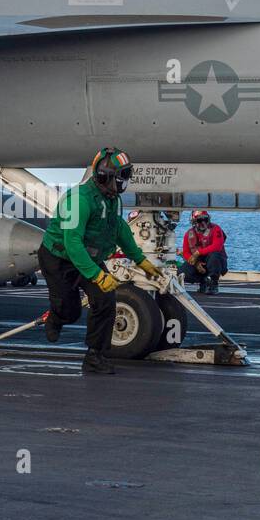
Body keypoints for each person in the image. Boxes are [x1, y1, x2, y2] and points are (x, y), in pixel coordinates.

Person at [37, 147, 162, 374]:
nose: (124, 182)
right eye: (120, 176)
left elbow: (119, 228)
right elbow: (72, 243)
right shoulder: (78, 200)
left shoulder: (111, 198)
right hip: (59, 258)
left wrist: (140, 260)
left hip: (88, 257)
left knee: (105, 301)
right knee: (70, 311)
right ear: (105, 176)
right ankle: (56, 318)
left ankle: (95, 356)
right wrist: (97, 275)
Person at [179, 209, 227, 295]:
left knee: (214, 255)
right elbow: (186, 252)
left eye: (205, 219)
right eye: (200, 220)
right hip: (199, 262)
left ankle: (213, 284)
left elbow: (217, 246)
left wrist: (198, 253)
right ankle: (203, 281)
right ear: (194, 221)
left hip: (216, 262)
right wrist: (196, 264)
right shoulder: (189, 234)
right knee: (181, 272)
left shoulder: (216, 229)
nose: (203, 222)